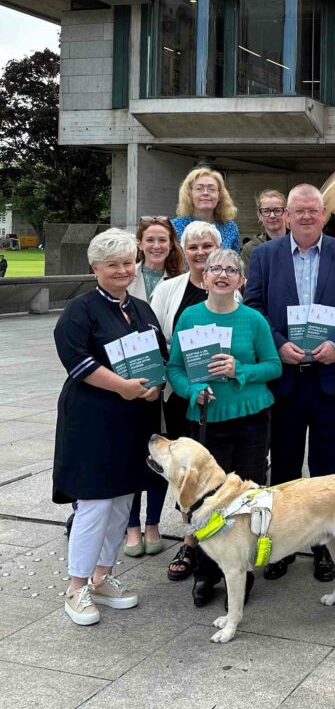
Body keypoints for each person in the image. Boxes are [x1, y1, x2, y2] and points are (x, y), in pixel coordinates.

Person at [243, 184, 335, 583]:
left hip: (330, 377)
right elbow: (255, 307)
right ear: (287, 215)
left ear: (325, 213)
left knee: (328, 472)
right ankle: (279, 545)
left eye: (313, 210)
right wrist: (277, 345)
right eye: (299, 211)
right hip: (286, 379)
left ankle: (322, 549)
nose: (306, 216)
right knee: (283, 468)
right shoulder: (264, 256)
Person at [53, 228, 166, 625]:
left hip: (134, 419)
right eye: (113, 264)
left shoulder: (140, 308)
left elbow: (158, 356)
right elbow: (77, 362)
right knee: (96, 503)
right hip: (93, 419)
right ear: (95, 268)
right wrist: (122, 387)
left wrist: (154, 388)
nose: (123, 270)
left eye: (127, 262)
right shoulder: (80, 309)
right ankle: (77, 586)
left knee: (122, 501)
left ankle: (103, 577)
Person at [167, 248, 282, 607]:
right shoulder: (189, 317)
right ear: (203, 278)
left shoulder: (254, 320)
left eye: (231, 270)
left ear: (241, 280)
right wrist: (191, 390)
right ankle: (206, 571)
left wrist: (240, 371)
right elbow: (175, 368)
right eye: (215, 268)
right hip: (207, 422)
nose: (222, 274)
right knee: (205, 500)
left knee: (245, 497)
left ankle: (243, 571)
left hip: (250, 418)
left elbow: (274, 366)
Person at [149, 221, 224, 582]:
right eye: (193, 247)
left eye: (207, 246)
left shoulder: (235, 289)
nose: (200, 253)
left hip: (221, 397)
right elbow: (154, 339)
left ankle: (223, 538)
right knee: (184, 473)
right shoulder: (167, 290)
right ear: (184, 250)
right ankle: (191, 540)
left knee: (218, 468)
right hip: (180, 395)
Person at [123, 215, 185, 557]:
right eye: (151, 240)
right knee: (134, 452)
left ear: (171, 244)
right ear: (141, 243)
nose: (157, 246)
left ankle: (153, 524)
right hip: (130, 378)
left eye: (163, 240)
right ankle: (132, 525)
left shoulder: (178, 281)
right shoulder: (125, 277)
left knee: (161, 452)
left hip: (166, 382)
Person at [171, 167, 241, 252]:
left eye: (212, 189)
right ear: (189, 194)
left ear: (219, 196)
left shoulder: (230, 227)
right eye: (199, 188)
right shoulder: (173, 228)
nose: (205, 193)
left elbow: (235, 260)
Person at [241, 189, 288, 268]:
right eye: (266, 211)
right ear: (259, 215)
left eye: (277, 210)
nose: (272, 215)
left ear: (286, 213)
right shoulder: (250, 249)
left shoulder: (299, 243)